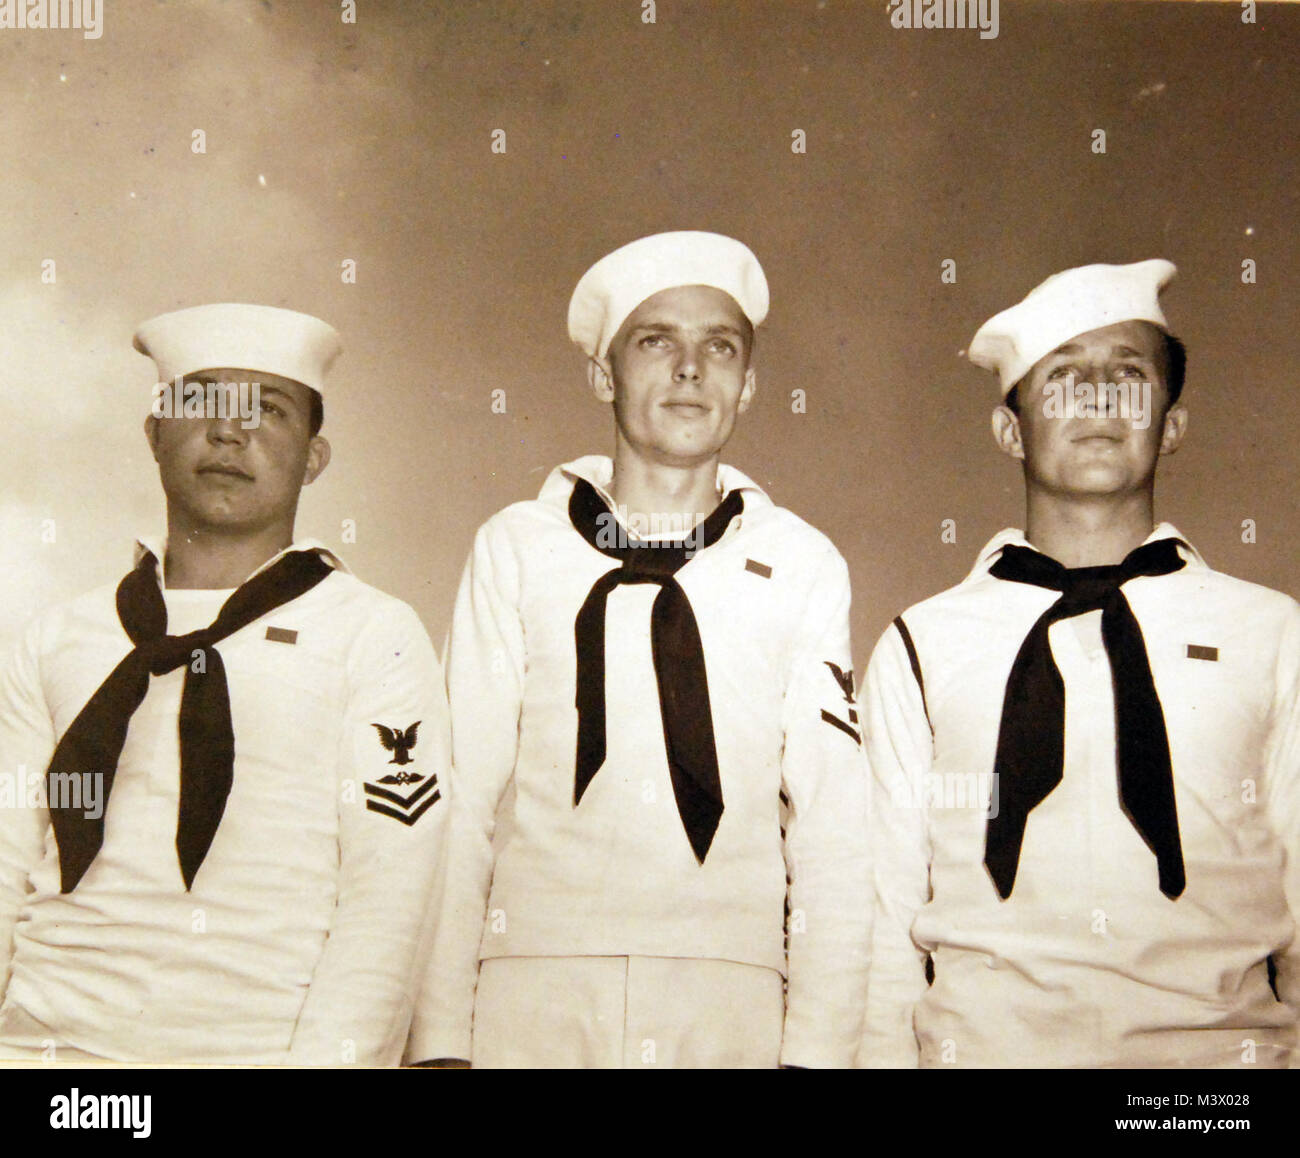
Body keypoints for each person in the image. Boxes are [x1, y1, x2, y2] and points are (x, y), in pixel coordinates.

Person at [409, 231, 871, 1068]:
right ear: (603, 374)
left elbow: (834, 826)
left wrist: (820, 1050)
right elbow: (459, 798)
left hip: (732, 993)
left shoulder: (802, 562)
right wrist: (440, 1035)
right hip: (533, 983)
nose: (691, 369)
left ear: (749, 385)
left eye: (719, 347)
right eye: (657, 340)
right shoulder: (518, 546)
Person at [859, 260, 1300, 1067]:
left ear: (1171, 424)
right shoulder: (922, 647)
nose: (1099, 397)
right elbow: (885, 928)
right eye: (1062, 378)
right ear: (1010, 429)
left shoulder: (1273, 636)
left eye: (1129, 375)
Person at [0, 303, 449, 1065]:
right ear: (154, 434)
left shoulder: (372, 634)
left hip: (252, 1051)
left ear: (314, 456)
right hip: (49, 1057)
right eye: (202, 400)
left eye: (267, 410)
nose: (229, 432)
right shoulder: (59, 637)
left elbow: (389, 898)